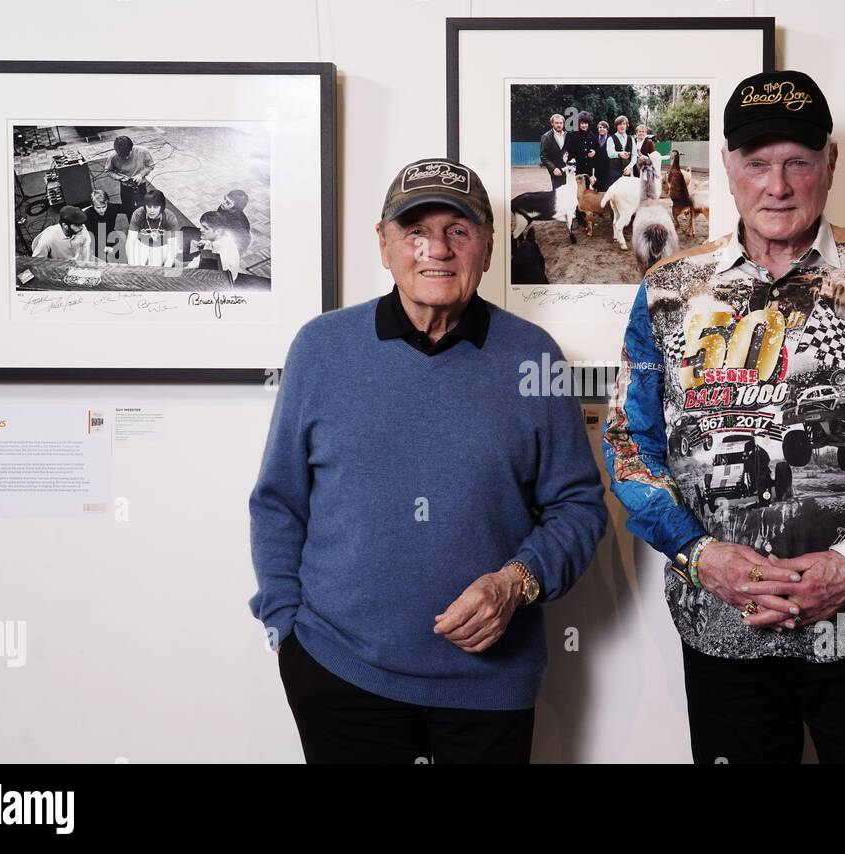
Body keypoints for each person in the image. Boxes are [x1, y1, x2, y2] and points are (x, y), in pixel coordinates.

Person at [602, 70, 845, 764]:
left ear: (829, 163)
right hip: (722, 628)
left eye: (798, 162)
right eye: (758, 163)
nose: (778, 185)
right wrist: (697, 553)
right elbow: (628, 440)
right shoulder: (669, 291)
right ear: (728, 168)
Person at [249, 157, 606, 764]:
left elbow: (578, 507)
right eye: (415, 230)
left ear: (488, 248)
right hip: (340, 676)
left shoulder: (534, 356)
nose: (436, 249)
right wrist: (288, 631)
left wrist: (516, 583)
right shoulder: (321, 349)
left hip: (490, 685)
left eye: (458, 231)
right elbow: (278, 502)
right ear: (384, 245)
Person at [125, 189, 180, 267]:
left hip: (161, 246)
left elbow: (173, 245)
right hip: (142, 244)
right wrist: (132, 265)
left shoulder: (170, 217)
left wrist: (167, 267)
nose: (151, 210)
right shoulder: (138, 214)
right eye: (149, 206)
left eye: (156, 206)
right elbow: (130, 241)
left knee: (154, 267)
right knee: (137, 265)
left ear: (162, 207)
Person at [186, 210, 242, 283]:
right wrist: (206, 242)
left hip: (221, 280)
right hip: (210, 266)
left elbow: (216, 279)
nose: (200, 229)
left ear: (218, 231)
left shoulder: (224, 257)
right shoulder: (218, 238)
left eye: (206, 228)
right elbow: (203, 257)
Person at [104, 135, 154, 214]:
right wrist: (119, 177)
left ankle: (143, 224)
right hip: (125, 188)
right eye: (122, 156)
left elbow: (150, 165)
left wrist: (141, 175)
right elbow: (108, 170)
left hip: (140, 186)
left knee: (143, 209)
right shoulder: (112, 157)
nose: (126, 158)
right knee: (128, 210)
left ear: (132, 148)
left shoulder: (143, 151)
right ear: (117, 151)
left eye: (128, 154)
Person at [82, 189, 127, 262]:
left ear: (107, 202)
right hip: (96, 242)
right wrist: (105, 248)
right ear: (92, 205)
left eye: (104, 207)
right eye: (98, 208)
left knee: (123, 253)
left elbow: (128, 208)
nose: (102, 210)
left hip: (110, 236)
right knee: (106, 261)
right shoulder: (87, 215)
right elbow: (90, 237)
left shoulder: (112, 207)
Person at [603, 115, 635, 192]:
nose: (622, 126)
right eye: (619, 124)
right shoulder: (611, 138)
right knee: (615, 193)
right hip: (614, 171)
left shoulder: (631, 139)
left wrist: (630, 167)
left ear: (627, 125)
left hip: (627, 170)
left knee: (626, 193)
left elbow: (634, 156)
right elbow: (610, 154)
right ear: (616, 126)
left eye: (624, 124)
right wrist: (619, 154)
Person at [538, 113, 570, 190]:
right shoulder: (546, 137)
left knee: (569, 193)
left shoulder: (568, 135)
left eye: (561, 123)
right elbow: (543, 156)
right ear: (552, 123)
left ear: (563, 124)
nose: (559, 125)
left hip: (569, 171)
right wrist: (553, 169)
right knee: (557, 194)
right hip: (556, 171)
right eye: (556, 123)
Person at [218, 189, 253, 255]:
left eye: (228, 202)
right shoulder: (224, 207)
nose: (223, 202)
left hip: (238, 242)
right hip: (227, 232)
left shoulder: (238, 223)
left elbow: (235, 243)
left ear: (235, 209)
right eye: (225, 199)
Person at [592, 120, 615, 194]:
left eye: (604, 127)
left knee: (606, 190)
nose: (602, 129)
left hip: (608, 168)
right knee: (596, 190)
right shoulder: (594, 139)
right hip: (596, 169)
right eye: (600, 127)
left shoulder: (611, 139)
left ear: (607, 130)